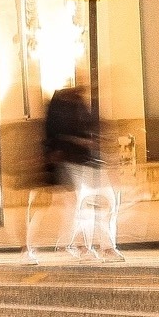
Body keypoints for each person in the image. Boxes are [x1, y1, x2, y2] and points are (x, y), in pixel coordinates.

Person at [45, 80, 118, 262]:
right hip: (74, 162)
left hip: (91, 161)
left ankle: (104, 247)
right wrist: (83, 142)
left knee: (106, 202)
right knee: (83, 205)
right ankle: (84, 246)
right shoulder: (61, 109)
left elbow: (94, 128)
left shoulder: (81, 106)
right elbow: (61, 137)